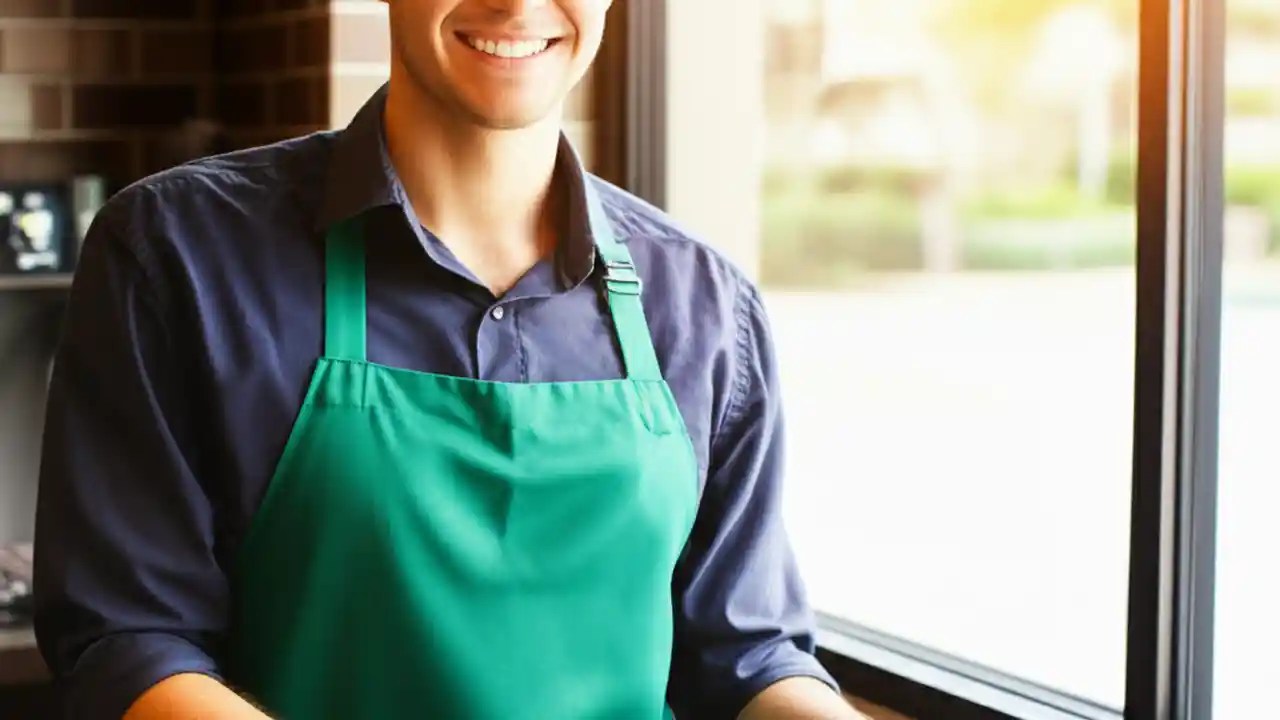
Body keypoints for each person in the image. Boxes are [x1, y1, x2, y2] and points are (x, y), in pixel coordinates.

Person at [33, 1, 864, 718]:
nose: (516, 4)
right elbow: (127, 642)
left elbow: (747, 656)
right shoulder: (178, 255)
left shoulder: (706, 304)